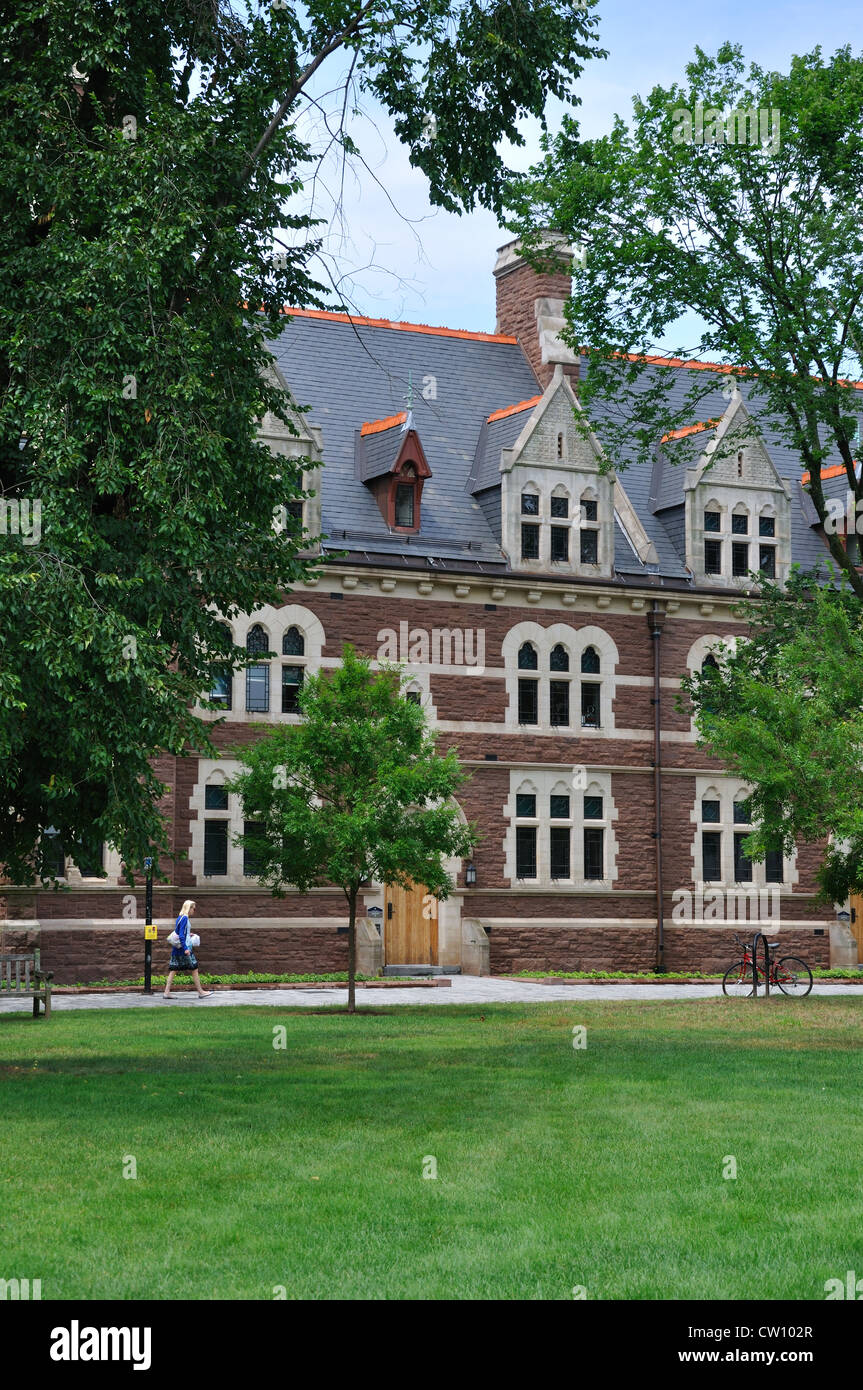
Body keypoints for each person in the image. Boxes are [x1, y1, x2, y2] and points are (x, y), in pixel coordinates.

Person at [163, 900, 213, 999]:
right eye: (193, 908)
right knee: (194, 969)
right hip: (184, 949)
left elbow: (180, 932)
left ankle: (166, 992)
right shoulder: (185, 918)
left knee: (174, 970)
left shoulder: (180, 917)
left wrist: (188, 934)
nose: (194, 910)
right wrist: (186, 949)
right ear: (188, 908)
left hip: (177, 949)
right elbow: (181, 935)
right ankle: (201, 992)